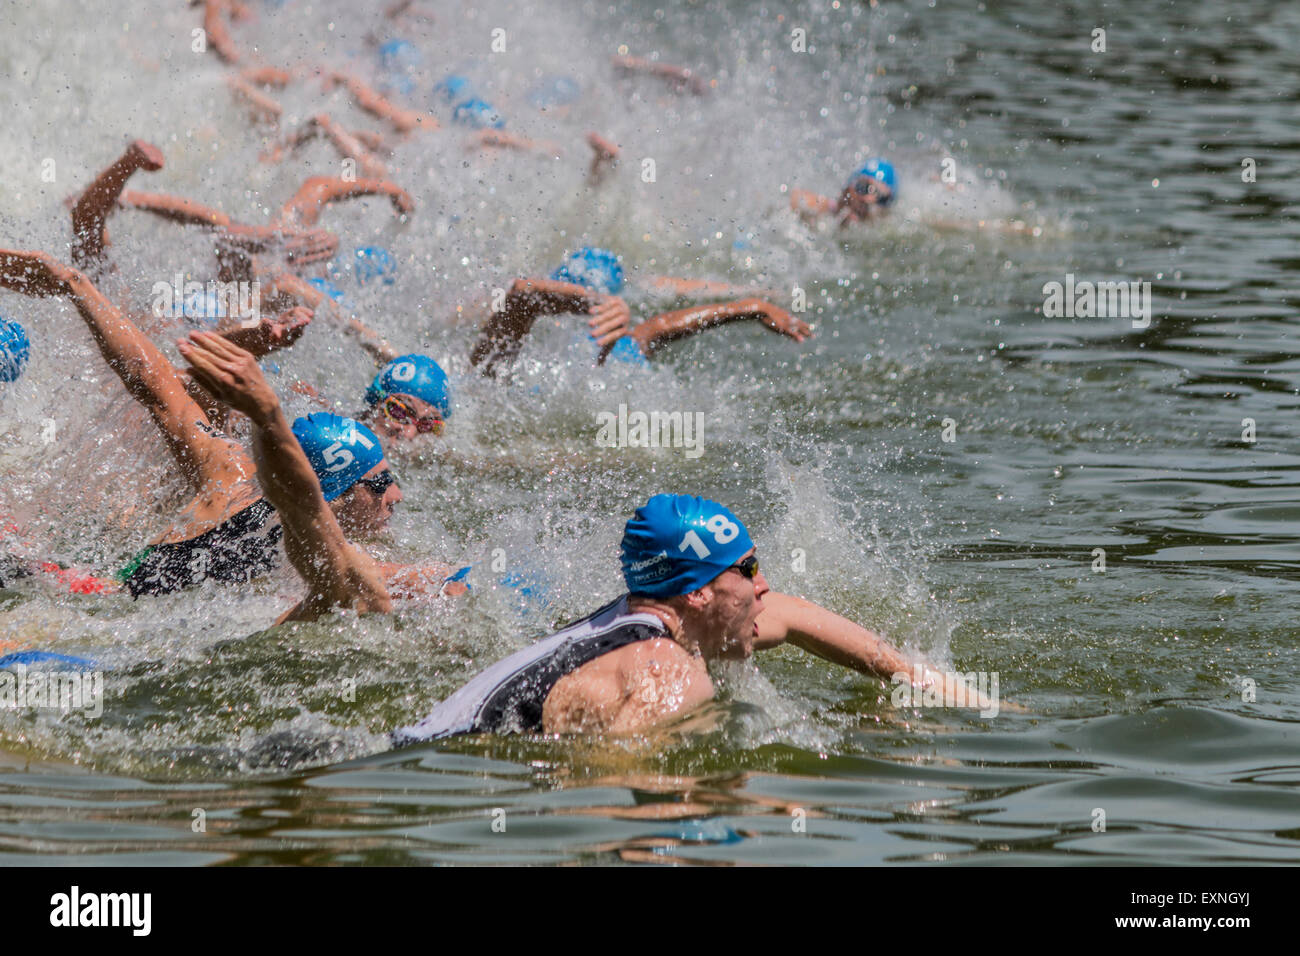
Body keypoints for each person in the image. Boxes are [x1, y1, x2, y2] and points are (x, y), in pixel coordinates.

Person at [0, 249, 459, 600]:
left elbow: (160, 388)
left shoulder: (234, 475)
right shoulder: (302, 532)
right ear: (331, 491)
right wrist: (75, 283)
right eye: (380, 484)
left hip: (71, 583)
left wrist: (75, 284)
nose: (396, 496)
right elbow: (158, 383)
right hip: (78, 601)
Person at [393, 494, 994, 742]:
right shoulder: (663, 673)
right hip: (424, 771)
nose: (766, 586)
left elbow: (888, 662)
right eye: (749, 569)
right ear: (701, 595)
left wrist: (994, 714)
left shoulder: (668, 616)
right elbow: (603, 798)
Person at [470, 247, 811, 376]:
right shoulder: (499, 365)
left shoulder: (621, 348)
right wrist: (750, 307)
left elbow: (664, 324)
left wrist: (752, 306)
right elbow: (520, 292)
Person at [790, 158, 898, 228]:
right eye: (864, 188)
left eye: (881, 198)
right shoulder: (825, 208)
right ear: (848, 188)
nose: (868, 199)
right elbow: (797, 197)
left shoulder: (884, 227)